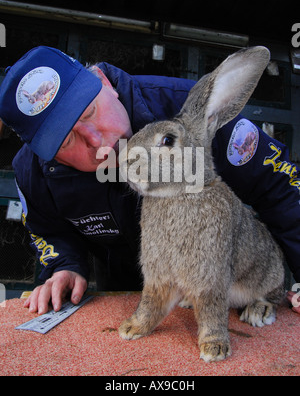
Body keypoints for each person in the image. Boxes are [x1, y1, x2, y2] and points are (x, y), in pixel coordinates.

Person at [0, 46, 299, 316]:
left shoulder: (185, 111)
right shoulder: (32, 172)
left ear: (103, 82)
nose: (96, 141)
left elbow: (280, 186)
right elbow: (47, 229)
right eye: (66, 141)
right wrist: (63, 265)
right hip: (126, 289)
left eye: (90, 111)